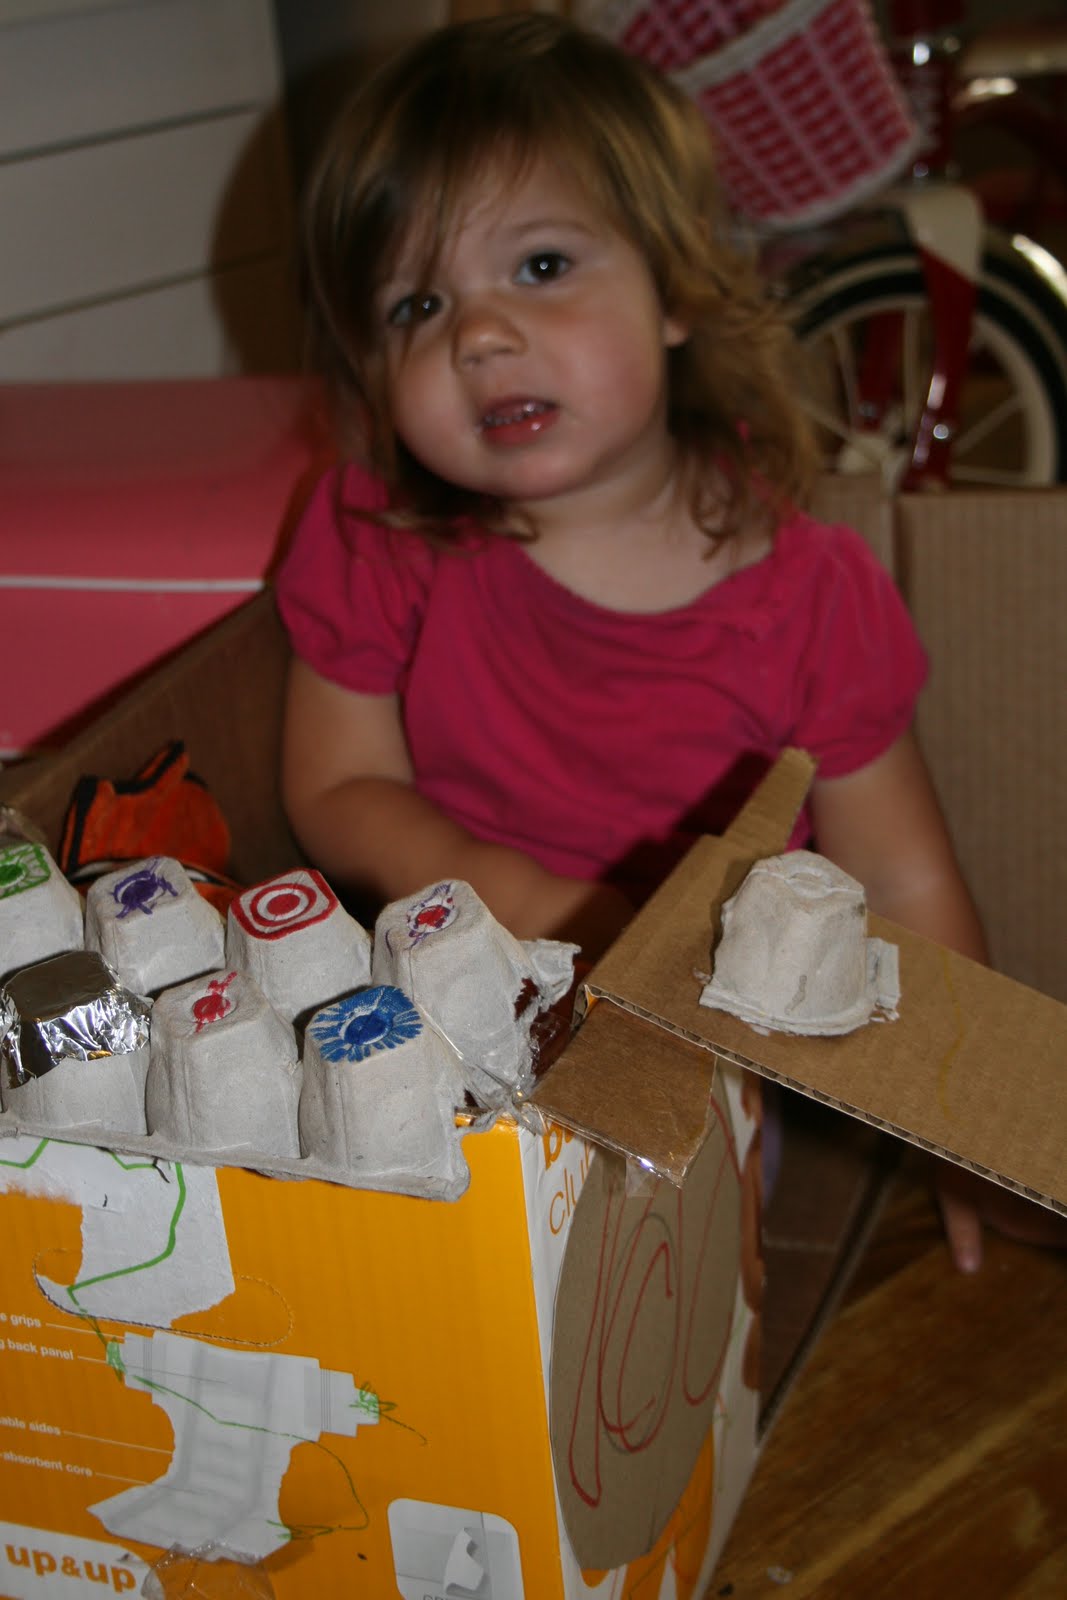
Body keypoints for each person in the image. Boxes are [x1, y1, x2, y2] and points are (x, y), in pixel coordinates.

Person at [274, 14, 1040, 1272]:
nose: (477, 333)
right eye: (418, 302)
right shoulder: (380, 525)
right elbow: (337, 782)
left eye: (539, 267)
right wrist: (523, 902)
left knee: (635, 1258)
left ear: (678, 289)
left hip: (690, 1048)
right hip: (440, 999)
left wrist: (958, 1129)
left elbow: (900, 886)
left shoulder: (809, 594)